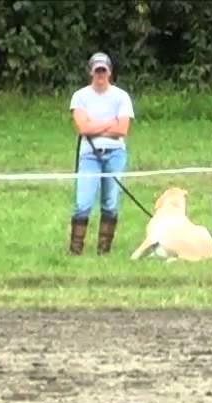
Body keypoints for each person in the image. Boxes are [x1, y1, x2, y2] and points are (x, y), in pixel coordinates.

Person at [68, 52, 135, 255]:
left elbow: (122, 129)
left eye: (103, 70)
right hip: (89, 155)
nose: (100, 74)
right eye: (97, 70)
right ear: (91, 72)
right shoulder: (80, 96)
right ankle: (75, 249)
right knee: (83, 203)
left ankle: (104, 250)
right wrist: (109, 124)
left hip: (115, 154)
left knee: (111, 202)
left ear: (109, 72)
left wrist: (94, 125)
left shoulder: (121, 96)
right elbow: (82, 128)